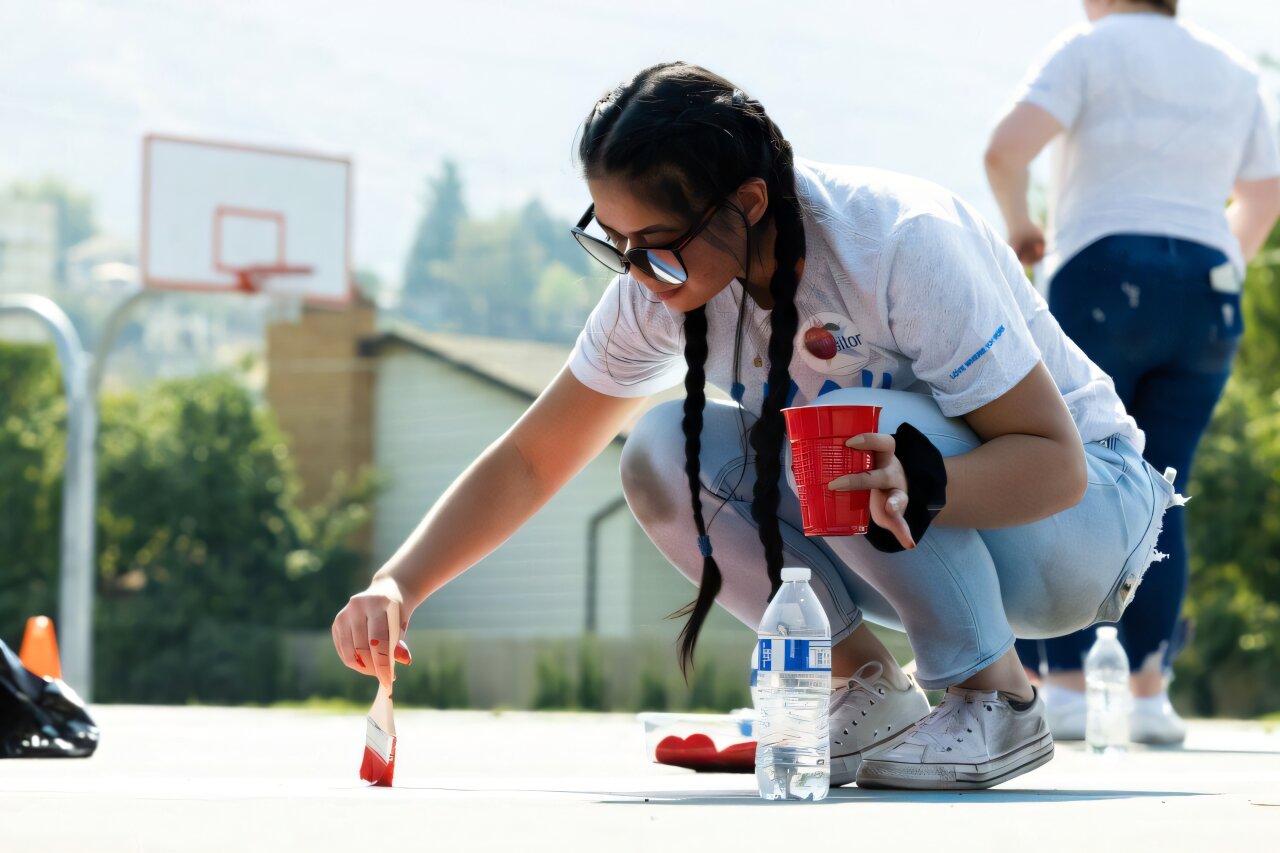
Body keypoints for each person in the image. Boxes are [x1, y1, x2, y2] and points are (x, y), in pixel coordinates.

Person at [333, 61, 1178, 790]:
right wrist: (398, 584)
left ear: (747, 200)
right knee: (664, 450)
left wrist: (929, 483)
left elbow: (1056, 465)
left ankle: (996, 698)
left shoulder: (897, 242)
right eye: (615, 243)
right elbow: (530, 456)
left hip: (1080, 526)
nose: (640, 274)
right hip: (930, 533)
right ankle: (868, 686)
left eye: (658, 245)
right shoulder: (654, 289)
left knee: (837, 425)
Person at [984, 0, 1280, 744]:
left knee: (1066, 472)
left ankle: (1069, 680)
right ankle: (1148, 692)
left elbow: (1004, 150)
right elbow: (1266, 193)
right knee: (1165, 485)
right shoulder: (1234, 68)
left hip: (1103, 275)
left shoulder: (1090, 47)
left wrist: (1021, 226)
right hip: (1208, 289)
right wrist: (1224, 266)